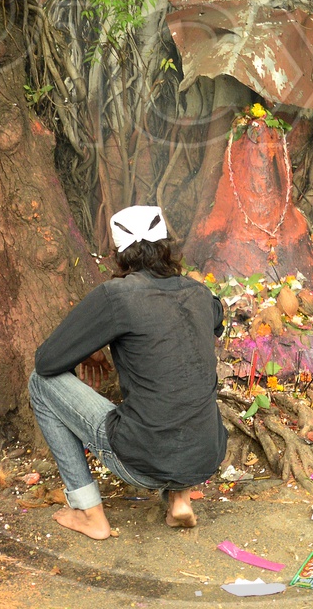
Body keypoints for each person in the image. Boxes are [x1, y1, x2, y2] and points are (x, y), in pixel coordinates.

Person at [29, 206, 226, 539]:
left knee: (40, 383)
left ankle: (89, 513)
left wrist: (87, 346)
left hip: (142, 460)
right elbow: (216, 321)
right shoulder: (199, 293)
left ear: (118, 254)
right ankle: (179, 498)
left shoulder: (116, 296)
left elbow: (47, 362)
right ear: (166, 244)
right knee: (179, 383)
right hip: (205, 457)